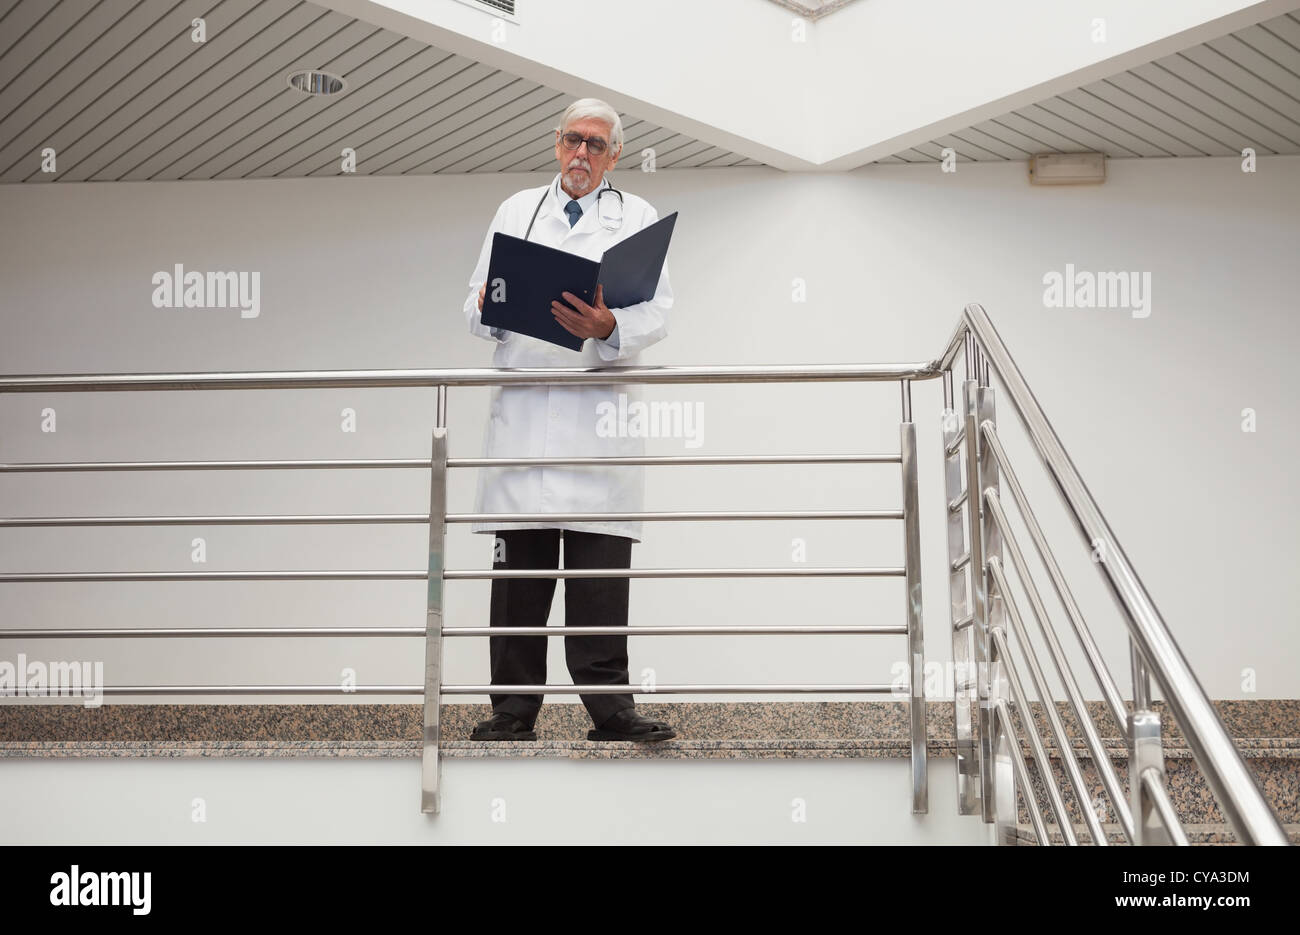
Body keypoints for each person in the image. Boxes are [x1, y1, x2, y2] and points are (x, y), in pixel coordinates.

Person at [462, 98, 676, 743]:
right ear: (557, 144)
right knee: (519, 577)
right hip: (524, 419)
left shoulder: (635, 217)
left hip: (596, 427)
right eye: (571, 140)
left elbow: (659, 311)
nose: (580, 153)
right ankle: (512, 711)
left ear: (614, 156)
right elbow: (472, 305)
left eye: (595, 144)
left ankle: (611, 711)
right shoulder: (515, 210)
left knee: (598, 577)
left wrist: (610, 326)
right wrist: (492, 305)